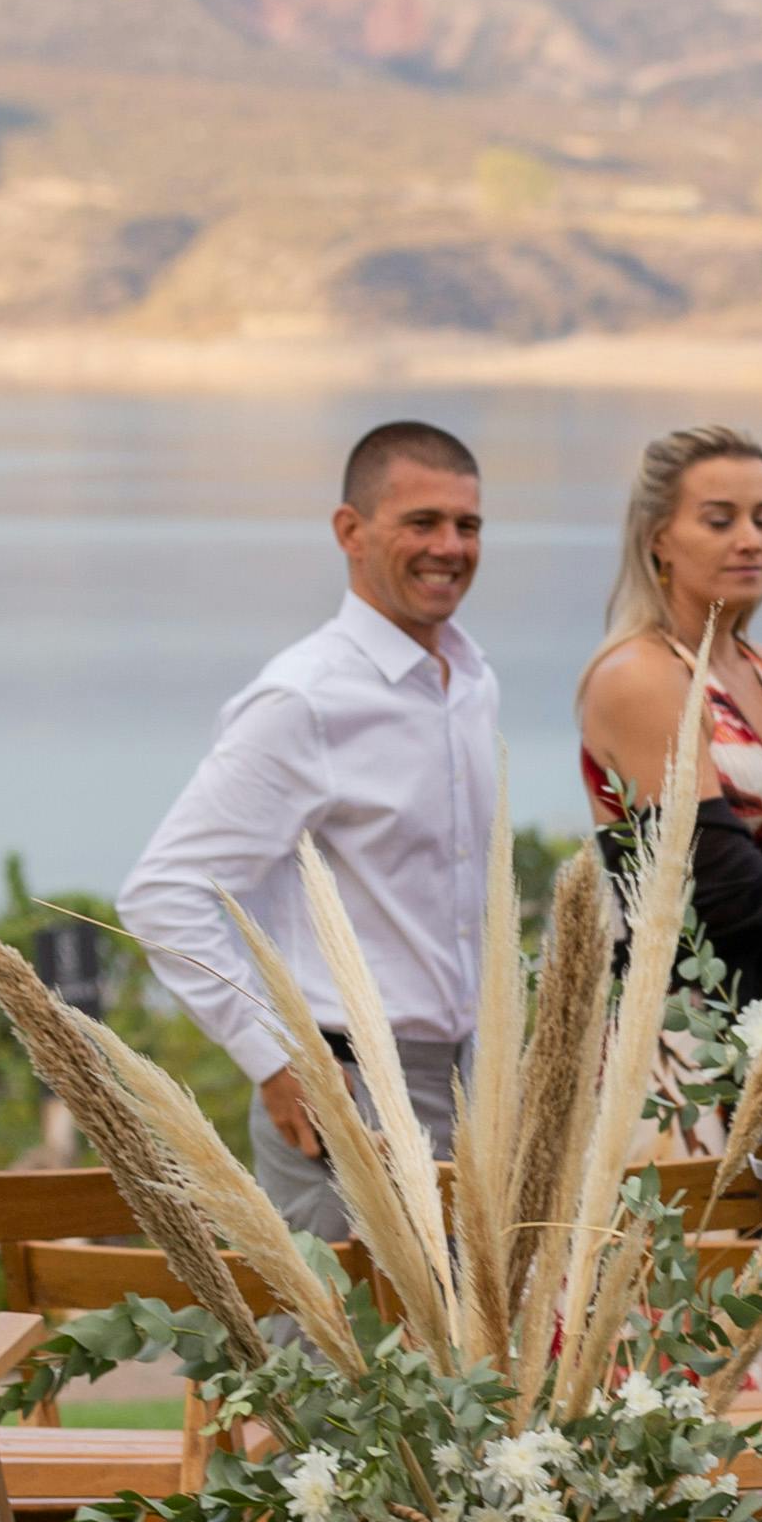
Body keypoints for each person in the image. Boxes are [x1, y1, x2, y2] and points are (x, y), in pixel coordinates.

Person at [119, 421, 500, 1246]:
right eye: (422, 522)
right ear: (350, 532)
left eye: (467, 525)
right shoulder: (305, 701)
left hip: (461, 1083)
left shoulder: (470, 680)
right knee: (334, 1364)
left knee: (469, 1363)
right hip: (346, 1096)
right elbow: (161, 894)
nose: (450, 547)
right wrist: (273, 1059)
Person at [575, 426, 762, 1002]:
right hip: (683, 1044)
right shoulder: (642, 676)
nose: (751, 540)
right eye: (720, 521)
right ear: (660, 540)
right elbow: (725, 896)